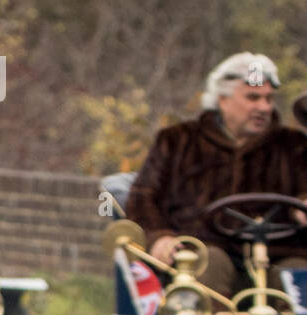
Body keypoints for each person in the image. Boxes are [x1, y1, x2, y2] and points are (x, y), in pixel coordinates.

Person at [126, 52, 307, 299]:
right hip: (201, 249)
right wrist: (159, 238)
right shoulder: (178, 141)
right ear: (223, 99)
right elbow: (142, 199)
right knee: (210, 263)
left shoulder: (294, 146)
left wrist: (302, 206)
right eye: (253, 98)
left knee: (298, 276)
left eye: (268, 99)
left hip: (278, 253)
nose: (264, 107)